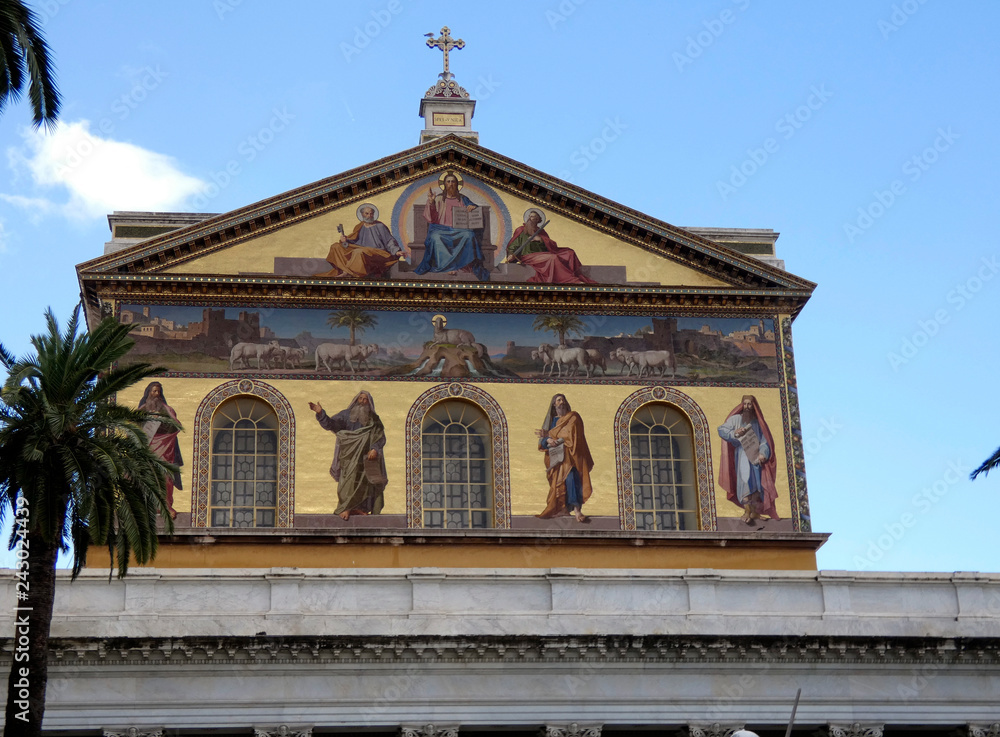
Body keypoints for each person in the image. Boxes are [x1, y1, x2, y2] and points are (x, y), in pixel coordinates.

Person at [309, 391, 387, 520]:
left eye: (365, 399)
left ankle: (359, 508)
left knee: (365, 483)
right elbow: (331, 424)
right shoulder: (345, 415)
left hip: (366, 457)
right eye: (360, 398)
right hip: (348, 455)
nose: (362, 401)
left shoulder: (374, 419)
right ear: (356, 400)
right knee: (347, 481)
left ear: (369, 402)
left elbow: (380, 436)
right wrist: (320, 413)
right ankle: (345, 508)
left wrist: (375, 448)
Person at [415, 171, 491, 281]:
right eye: (448, 181)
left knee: (469, 235)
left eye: (453, 181)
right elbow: (432, 219)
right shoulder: (439, 199)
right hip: (441, 229)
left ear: (457, 184)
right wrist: (431, 203)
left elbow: (474, 208)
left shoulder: (463, 199)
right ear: (444, 184)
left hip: (459, 230)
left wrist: (472, 207)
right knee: (435, 237)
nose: (451, 184)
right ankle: (446, 267)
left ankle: (463, 267)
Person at [717, 394, 779, 524]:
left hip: (755, 458)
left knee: (756, 485)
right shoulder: (736, 419)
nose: (747, 407)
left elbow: (764, 440)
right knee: (745, 482)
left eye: (749, 404)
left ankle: (755, 512)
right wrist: (734, 433)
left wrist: (763, 453)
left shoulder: (758, 423)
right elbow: (722, 430)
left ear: (754, 406)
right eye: (744, 404)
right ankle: (746, 511)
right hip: (742, 456)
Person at [535, 393, 594, 522]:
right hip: (555, 459)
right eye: (558, 400)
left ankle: (577, 510)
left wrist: (550, 435)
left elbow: (571, 434)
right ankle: (561, 509)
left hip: (571, 456)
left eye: (563, 400)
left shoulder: (573, 417)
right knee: (557, 485)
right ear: (554, 405)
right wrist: (548, 440)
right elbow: (542, 442)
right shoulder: (552, 421)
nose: (561, 402)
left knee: (571, 478)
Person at [505, 209, 598, 285]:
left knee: (569, 253)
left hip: (543, 254)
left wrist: (540, 239)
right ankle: (569, 280)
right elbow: (513, 245)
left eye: (533, 217)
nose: (530, 218)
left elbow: (551, 246)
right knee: (553, 258)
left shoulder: (541, 232)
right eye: (529, 216)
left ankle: (575, 275)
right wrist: (511, 255)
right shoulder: (521, 230)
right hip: (529, 257)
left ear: (538, 220)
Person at [314, 204, 404, 278]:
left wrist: (396, 251)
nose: (369, 216)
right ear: (362, 215)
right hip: (361, 249)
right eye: (367, 213)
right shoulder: (359, 226)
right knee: (336, 246)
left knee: (358, 252)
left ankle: (348, 273)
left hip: (377, 252)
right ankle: (346, 270)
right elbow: (354, 241)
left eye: (371, 214)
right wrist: (345, 240)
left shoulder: (380, 226)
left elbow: (389, 241)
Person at [138, 381, 183, 519]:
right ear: (148, 393)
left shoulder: (167, 410)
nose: (156, 394)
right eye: (153, 391)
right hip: (147, 449)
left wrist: (161, 421)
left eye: (158, 391)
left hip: (165, 448)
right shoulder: (142, 411)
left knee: (165, 477)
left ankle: (165, 506)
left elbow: (175, 426)